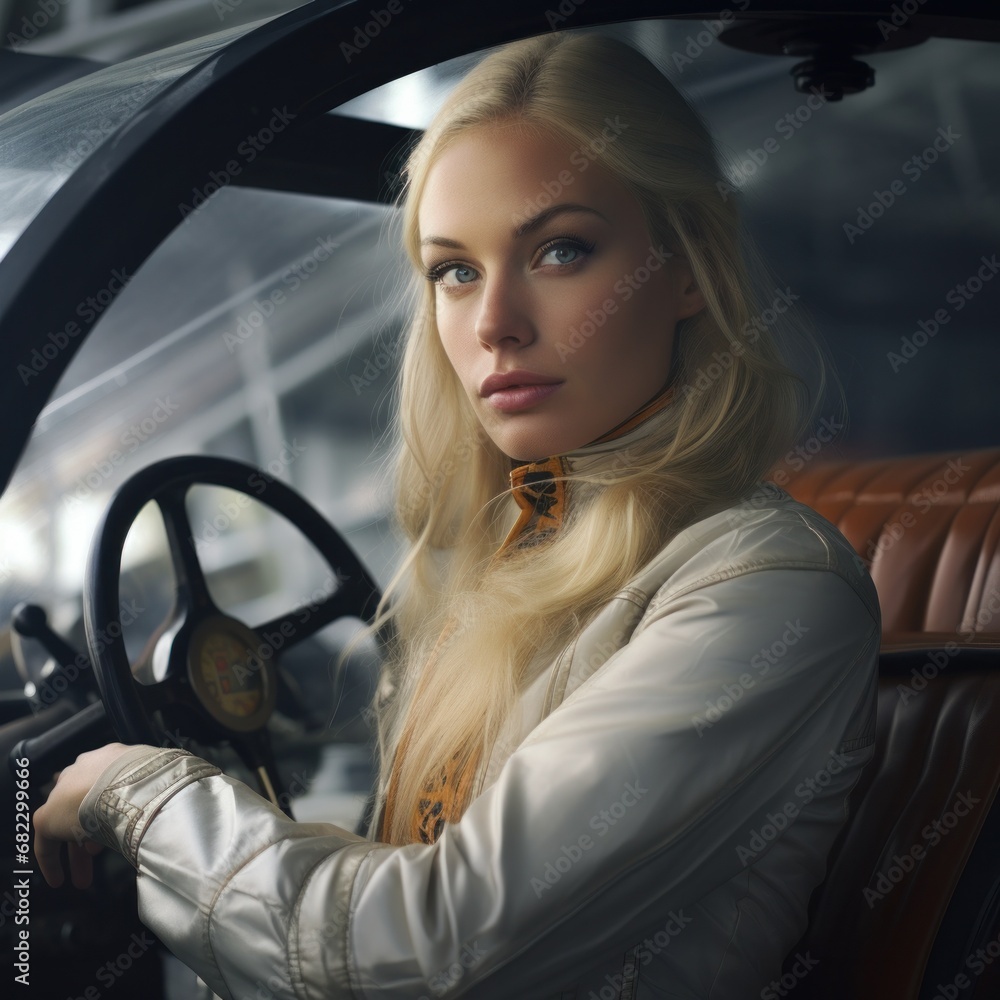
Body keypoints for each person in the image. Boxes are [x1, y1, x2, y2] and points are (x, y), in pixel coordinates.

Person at [33, 31, 879, 1000]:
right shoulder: (507, 562)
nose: (493, 324)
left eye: (561, 250)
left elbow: (426, 948)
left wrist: (138, 795)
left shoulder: (769, 591)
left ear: (686, 266)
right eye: (454, 270)